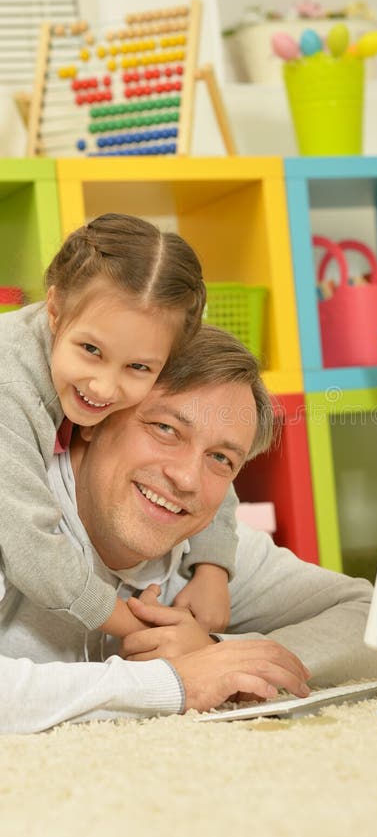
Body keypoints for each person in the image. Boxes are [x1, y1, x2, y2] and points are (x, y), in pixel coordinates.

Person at [0, 326, 377, 734]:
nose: (186, 478)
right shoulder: (14, 512)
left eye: (220, 458)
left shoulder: (199, 556)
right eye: (165, 429)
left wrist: (223, 656)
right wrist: (176, 683)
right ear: (94, 415)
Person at [0, 213, 239, 647]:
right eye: (91, 350)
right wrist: (144, 631)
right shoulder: (8, 387)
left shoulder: (103, 350)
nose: (104, 386)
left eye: (138, 367)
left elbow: (208, 447)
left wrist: (212, 568)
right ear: (54, 311)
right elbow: (33, 551)